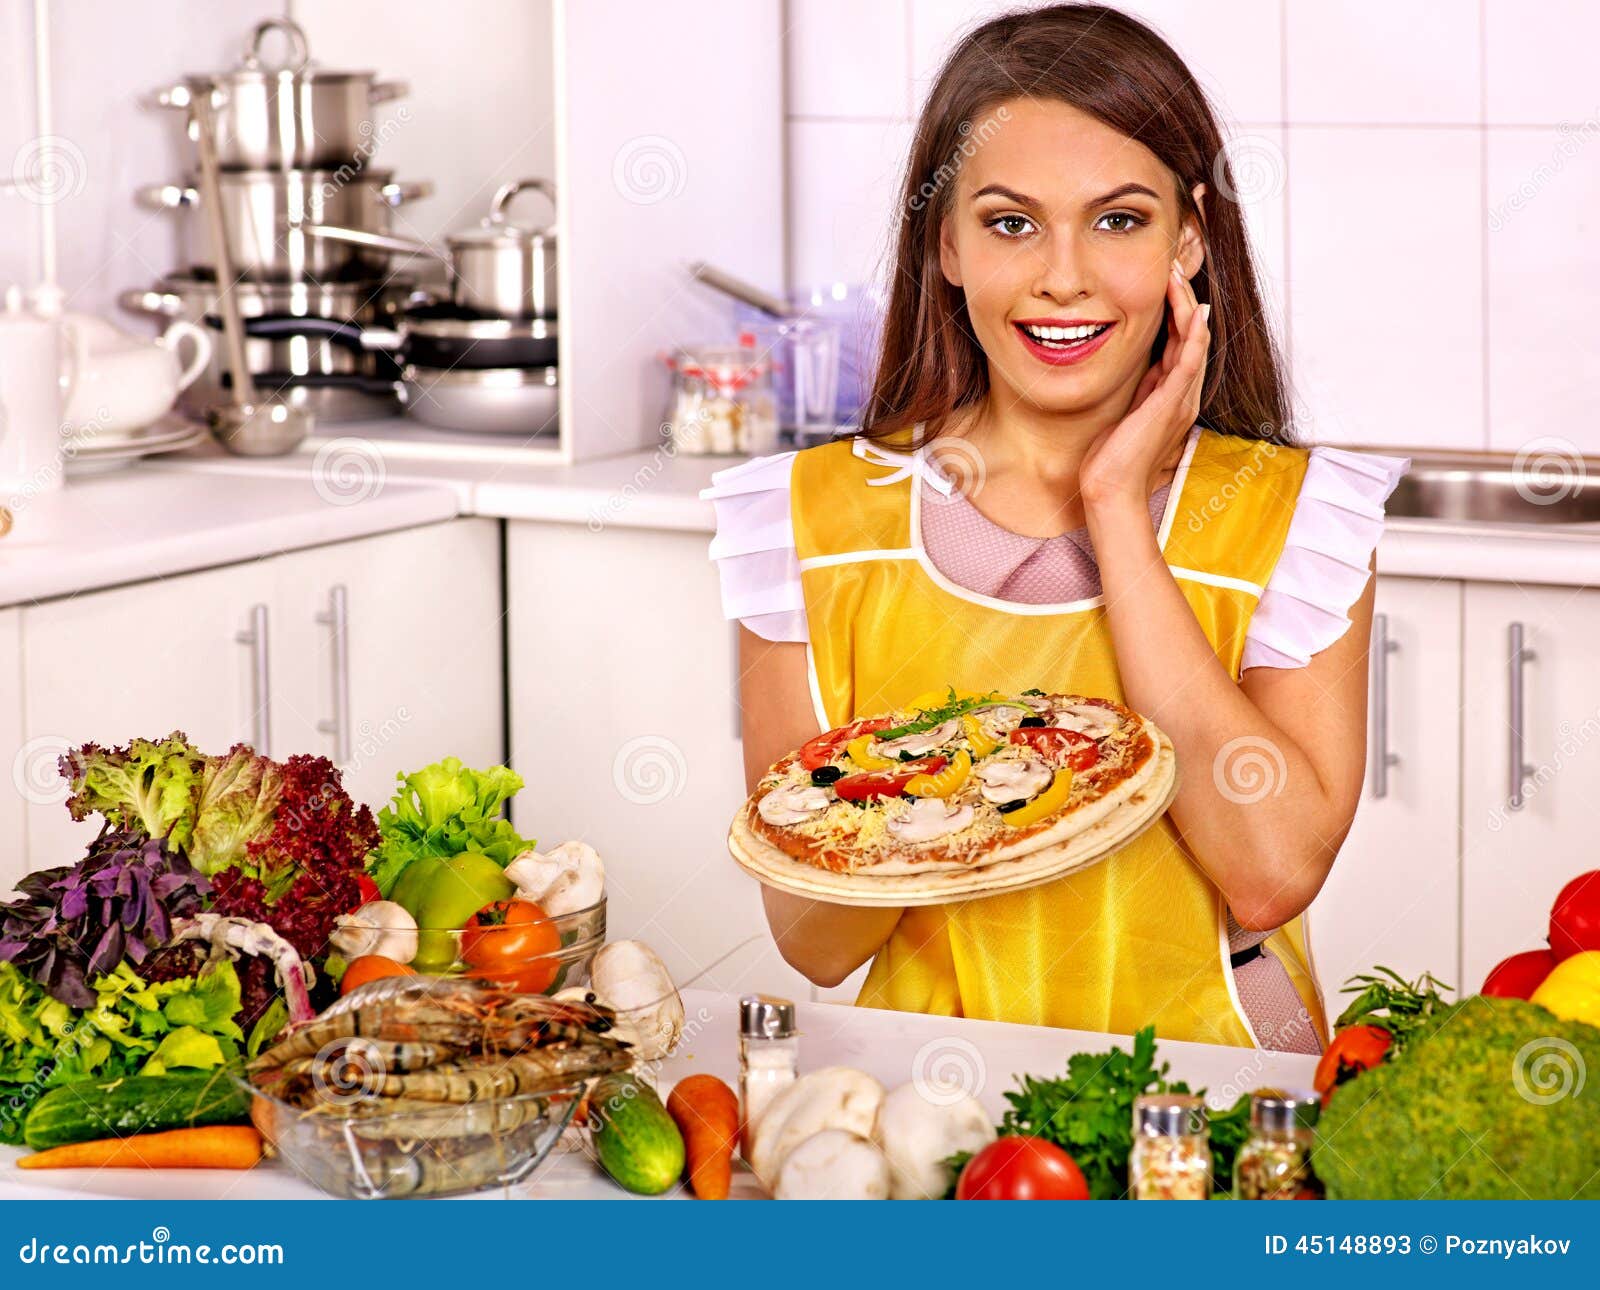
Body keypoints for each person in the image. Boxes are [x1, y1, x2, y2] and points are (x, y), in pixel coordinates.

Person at [703, 4, 1408, 1051]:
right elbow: (815, 936)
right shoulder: (807, 525)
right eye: (1009, 222)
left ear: (1191, 238)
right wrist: (968, 768)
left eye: (1118, 220)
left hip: (1204, 1097)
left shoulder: (1293, 519)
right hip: (926, 1103)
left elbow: (1267, 875)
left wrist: (1117, 511)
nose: (1062, 276)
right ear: (944, 244)